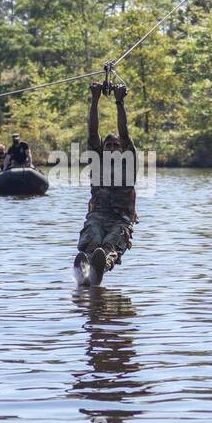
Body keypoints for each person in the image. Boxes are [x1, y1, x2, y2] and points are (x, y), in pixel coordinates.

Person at [74, 81, 137, 286]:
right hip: (98, 216)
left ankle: (100, 266)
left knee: (110, 245)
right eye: (107, 145)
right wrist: (95, 99)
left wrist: (119, 102)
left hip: (120, 219)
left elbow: (125, 133)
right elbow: (93, 132)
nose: (111, 147)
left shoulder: (128, 163)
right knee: (92, 238)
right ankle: (86, 272)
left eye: (115, 145)